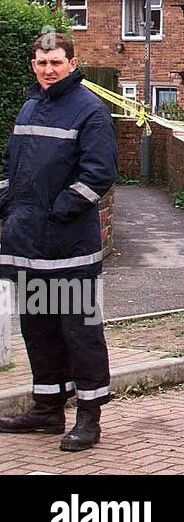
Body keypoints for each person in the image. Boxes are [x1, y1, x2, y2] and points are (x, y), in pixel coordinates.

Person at [0, 32, 116, 452]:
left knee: (80, 333)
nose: (49, 70)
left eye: (56, 62)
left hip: (68, 250)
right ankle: (47, 409)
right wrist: (9, 204)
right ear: (33, 64)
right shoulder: (30, 105)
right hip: (26, 246)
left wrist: (55, 212)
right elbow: (13, 166)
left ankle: (89, 416)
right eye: (42, 62)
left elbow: (98, 175)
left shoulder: (90, 111)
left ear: (71, 62)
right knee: (38, 329)